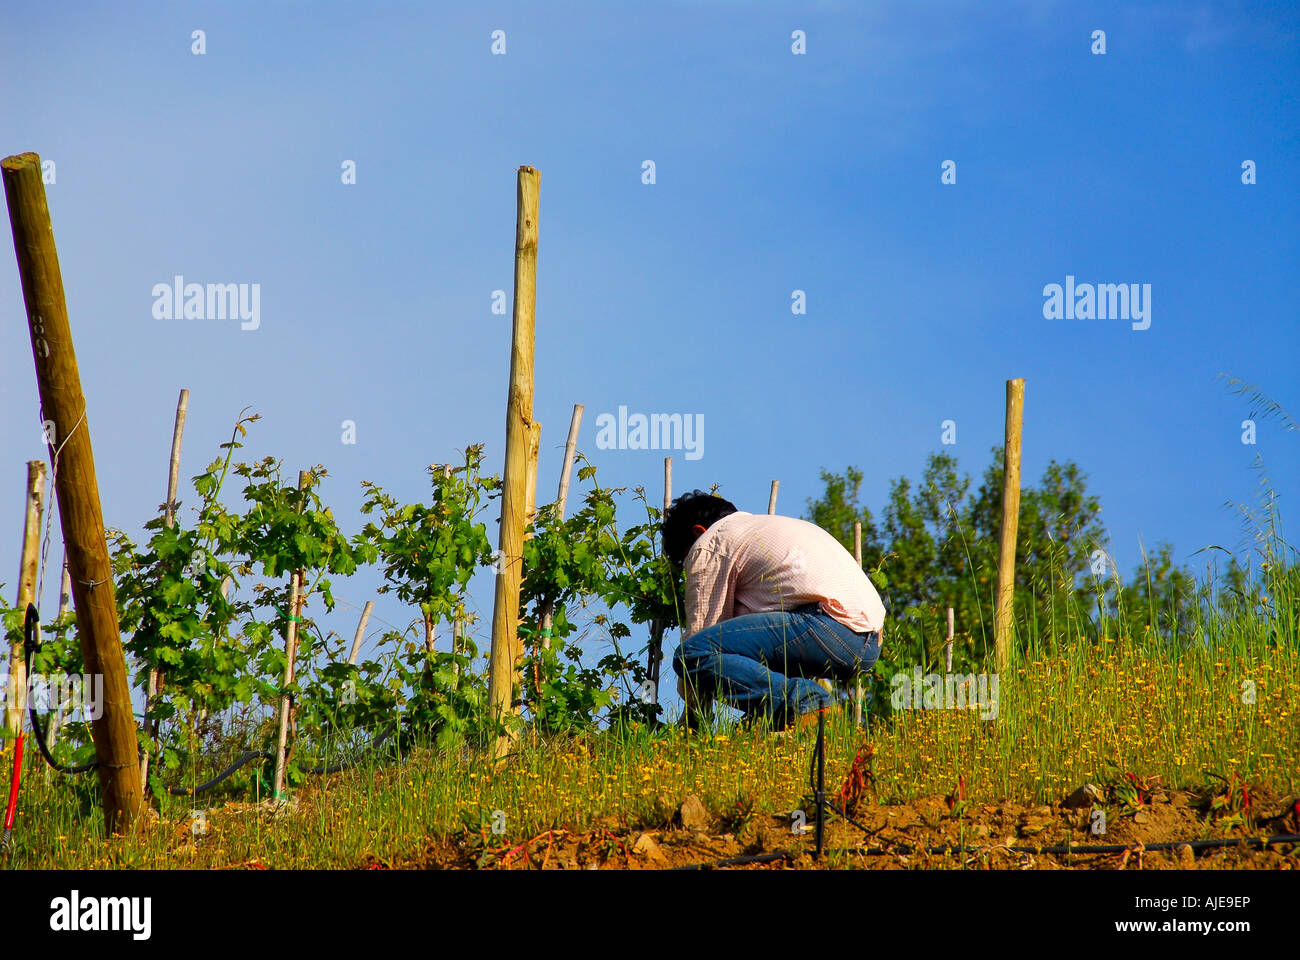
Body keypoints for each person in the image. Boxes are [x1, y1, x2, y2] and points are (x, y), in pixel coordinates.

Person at [662, 490, 886, 731]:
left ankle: (810, 703)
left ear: (698, 532)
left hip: (828, 626)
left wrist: (693, 719)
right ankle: (783, 726)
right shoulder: (761, 529)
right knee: (746, 656)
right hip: (868, 643)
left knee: (691, 655)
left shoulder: (711, 541)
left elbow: (702, 634)